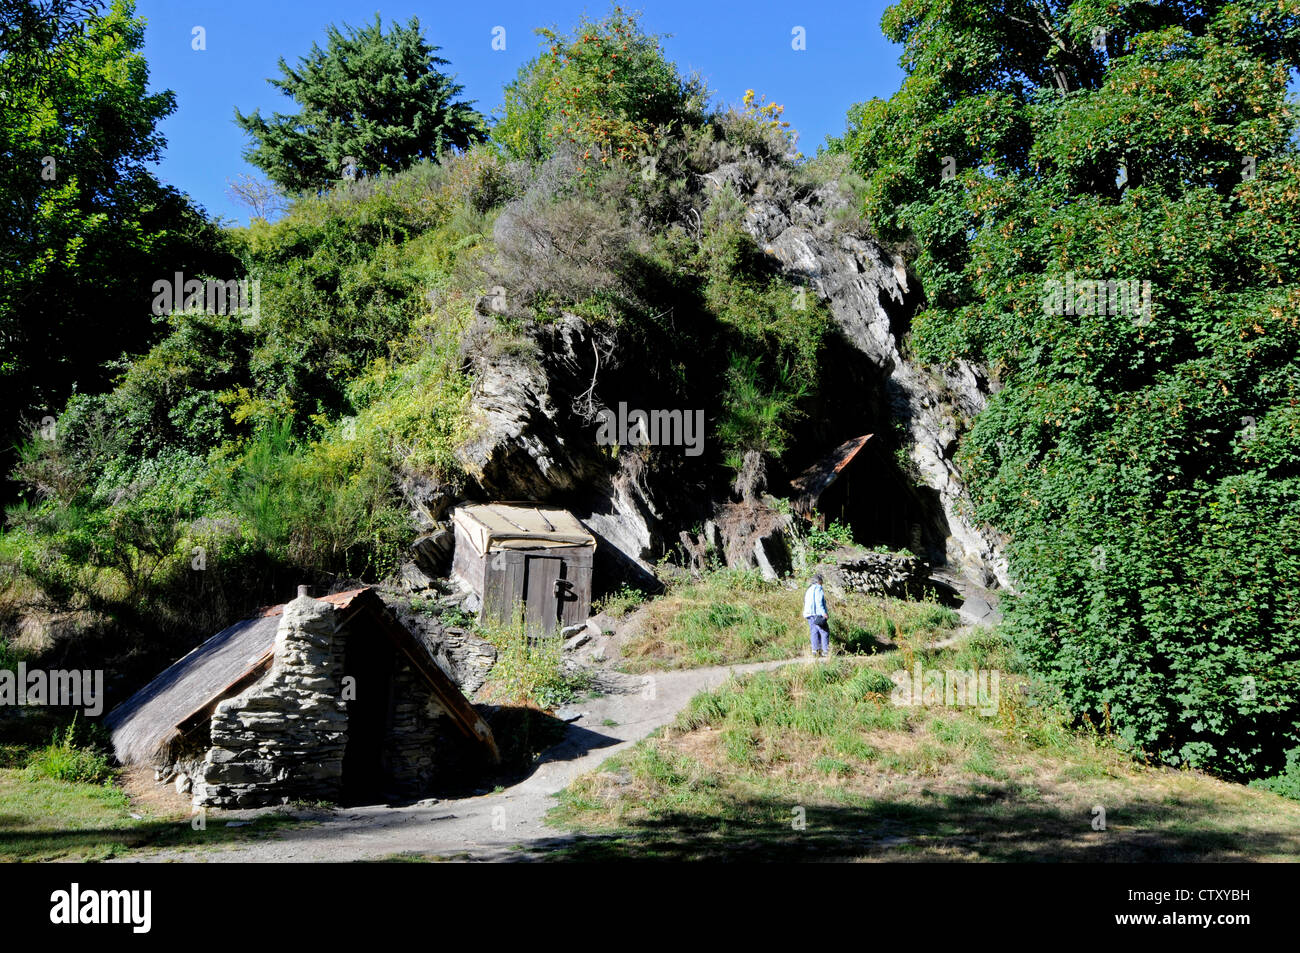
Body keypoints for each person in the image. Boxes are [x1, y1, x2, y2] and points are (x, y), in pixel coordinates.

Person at [803, 573, 830, 658]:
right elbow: (818, 602)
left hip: (809, 614)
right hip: (817, 614)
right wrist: (823, 613)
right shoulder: (818, 589)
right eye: (822, 580)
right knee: (824, 632)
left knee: (814, 632)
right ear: (819, 581)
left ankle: (815, 651)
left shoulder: (809, 589)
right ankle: (825, 651)